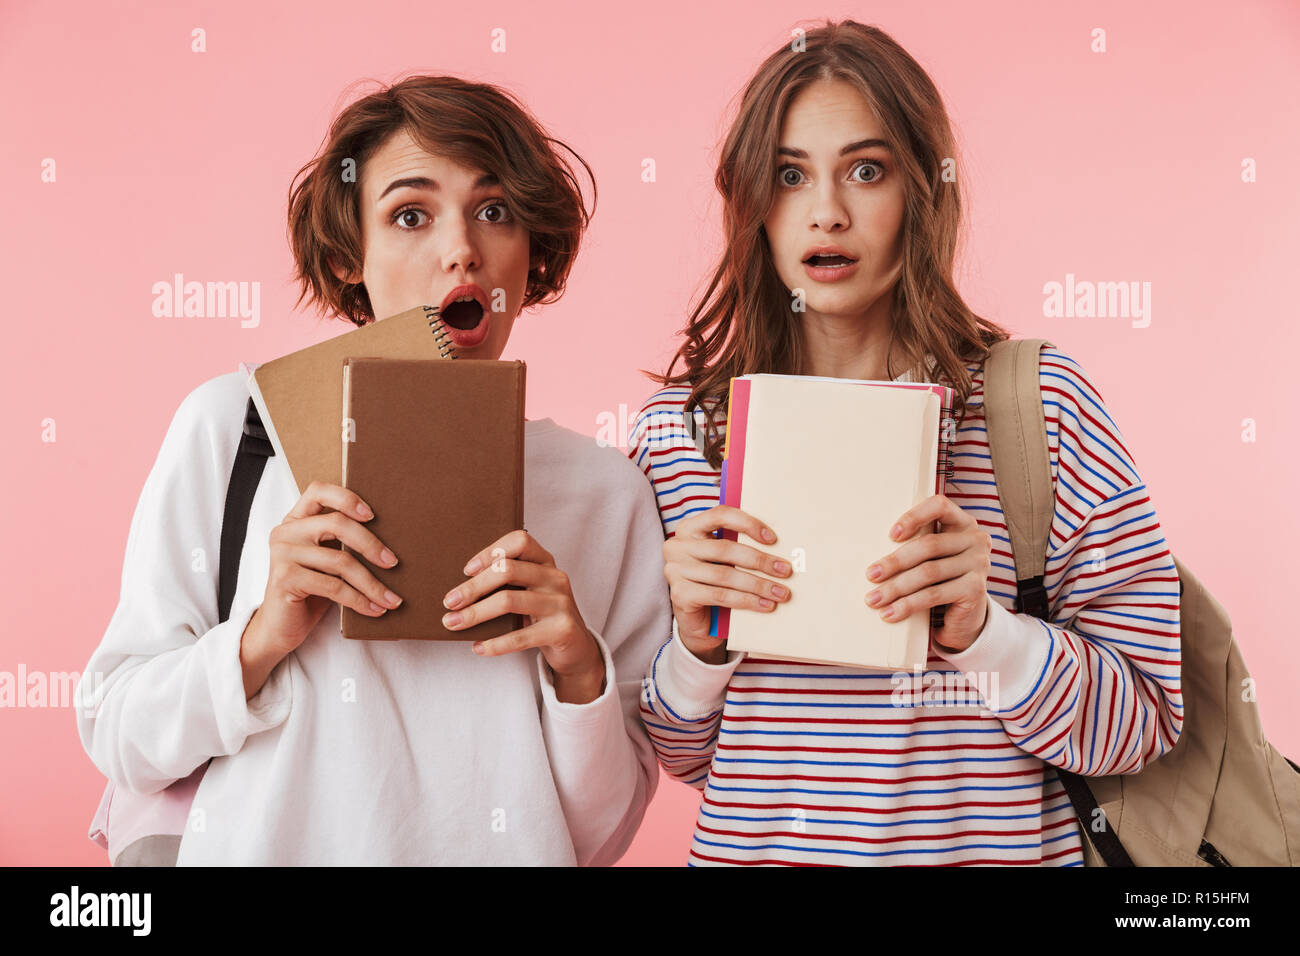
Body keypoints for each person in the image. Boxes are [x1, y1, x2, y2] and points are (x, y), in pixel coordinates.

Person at [76, 74, 671, 865]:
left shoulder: (606, 492)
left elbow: (600, 835)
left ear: (533, 250)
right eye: (410, 215)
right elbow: (120, 733)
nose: (460, 249)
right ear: (350, 256)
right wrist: (262, 635)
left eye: (494, 212)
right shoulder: (239, 429)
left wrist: (576, 667)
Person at [632, 21, 1182, 866]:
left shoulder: (1039, 408)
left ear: (924, 189)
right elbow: (679, 752)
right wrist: (698, 645)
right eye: (788, 175)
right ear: (750, 203)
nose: (827, 211)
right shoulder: (679, 435)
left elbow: (1144, 722)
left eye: (866, 169)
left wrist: (983, 633)